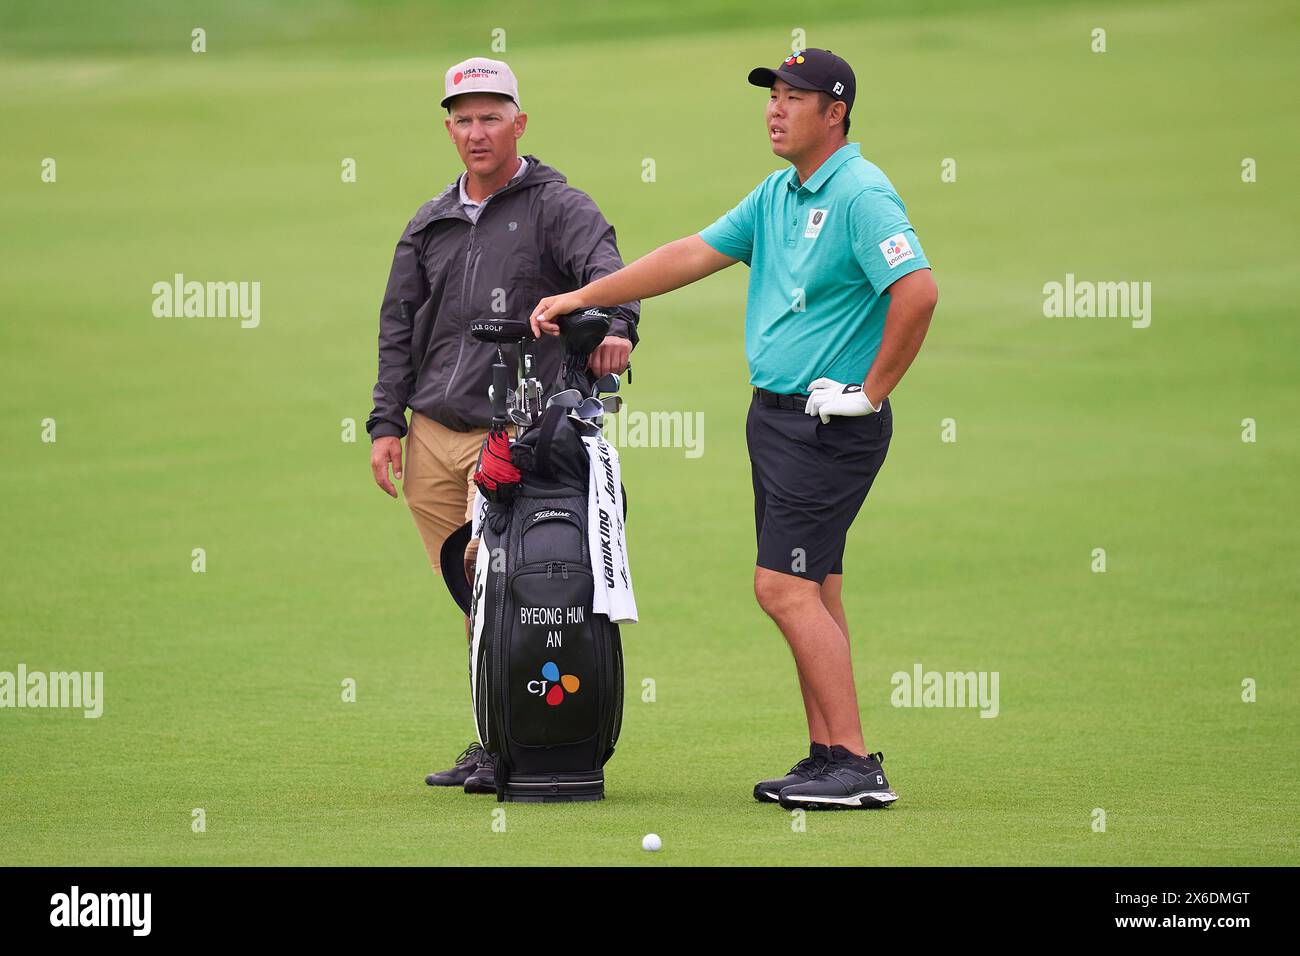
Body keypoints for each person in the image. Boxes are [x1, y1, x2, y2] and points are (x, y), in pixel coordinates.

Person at [529, 49, 936, 810]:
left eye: (794, 97)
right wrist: (582, 293)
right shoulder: (779, 194)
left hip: (825, 424)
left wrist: (871, 393)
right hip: (776, 422)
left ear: (835, 113)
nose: (775, 109)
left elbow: (917, 289)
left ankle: (855, 764)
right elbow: (689, 255)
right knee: (817, 587)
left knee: (781, 587)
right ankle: (828, 755)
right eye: (772, 96)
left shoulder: (860, 192)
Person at [367, 57, 639, 794]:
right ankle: (499, 730)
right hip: (430, 433)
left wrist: (617, 326)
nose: (477, 131)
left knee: (496, 584)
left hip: (515, 437)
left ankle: (506, 743)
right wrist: (385, 423)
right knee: (473, 593)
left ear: (519, 122)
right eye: (464, 118)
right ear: (448, 127)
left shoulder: (557, 204)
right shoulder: (431, 221)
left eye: (491, 116)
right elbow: (399, 325)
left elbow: (608, 272)